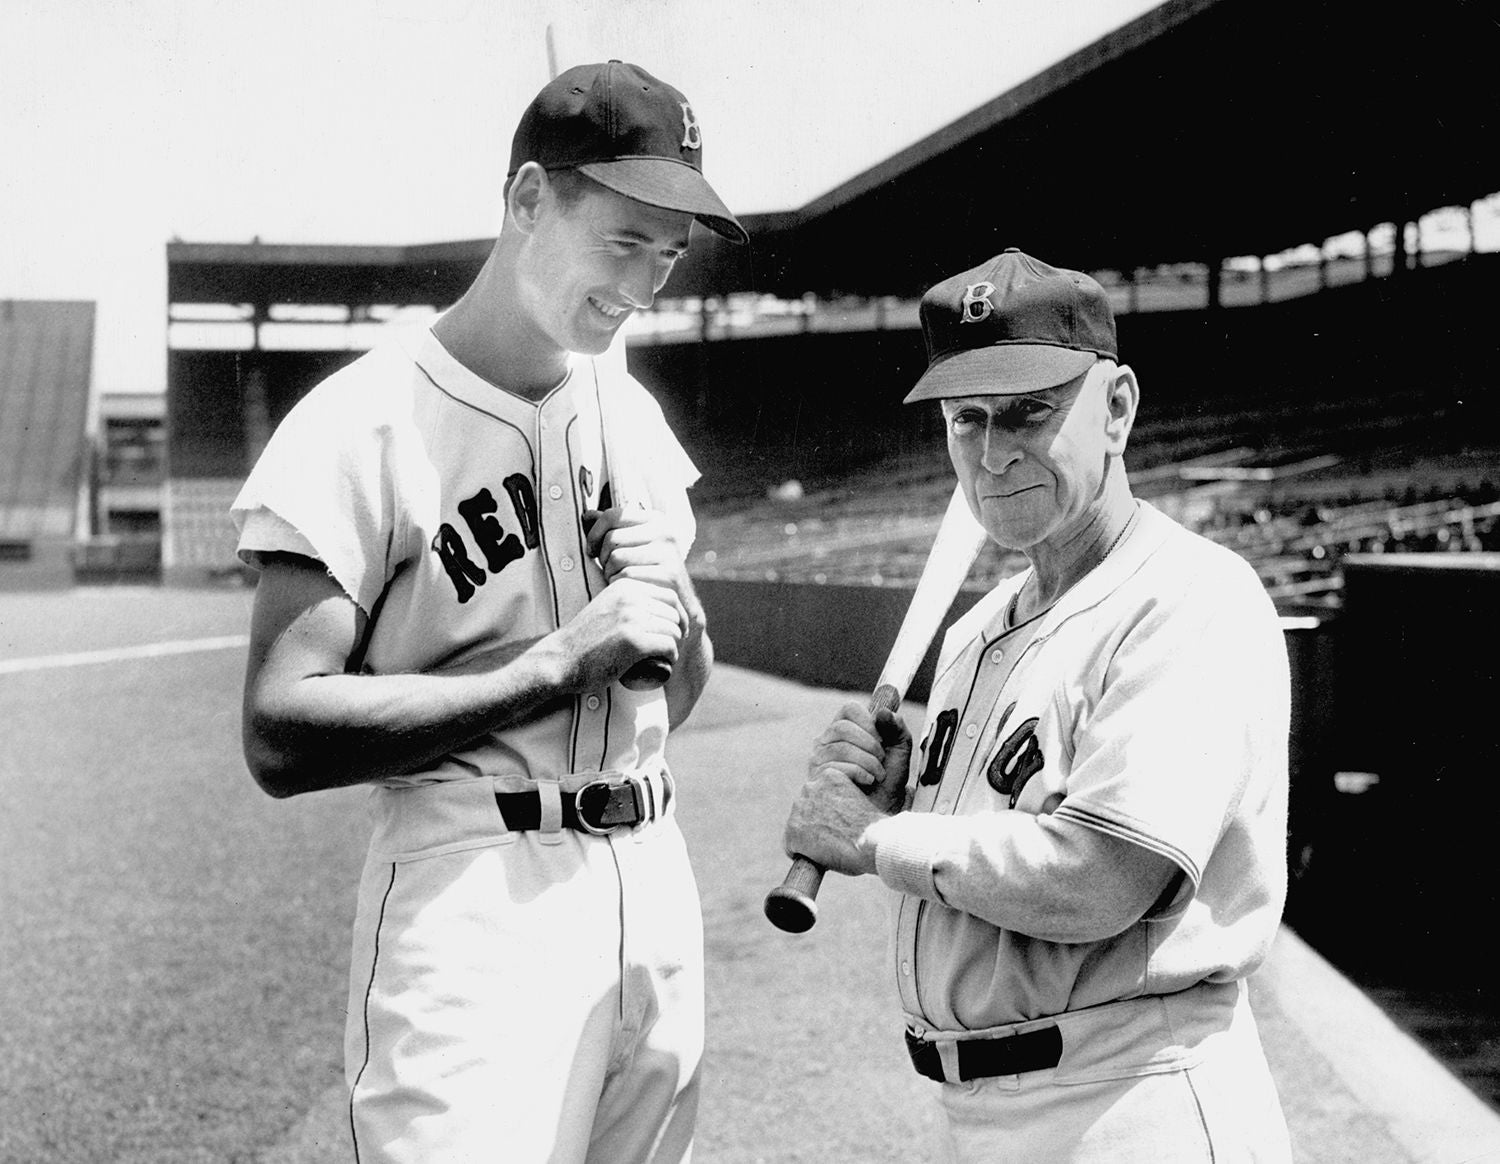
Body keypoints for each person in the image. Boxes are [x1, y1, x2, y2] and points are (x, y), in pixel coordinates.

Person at [233, 60, 746, 1164]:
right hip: (476, 893)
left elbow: (675, 684)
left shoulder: (630, 413)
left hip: (651, 875)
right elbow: (278, 728)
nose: (646, 287)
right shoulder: (362, 424)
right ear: (525, 203)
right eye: (625, 241)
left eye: (669, 255)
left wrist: (679, 626)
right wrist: (554, 666)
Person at [781, 249, 1292, 1161]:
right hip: (987, 1113)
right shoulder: (980, 629)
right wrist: (905, 798)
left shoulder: (1188, 597)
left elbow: (1102, 876)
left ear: (1119, 409)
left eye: (1029, 412)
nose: (992, 452)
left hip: (1137, 1098)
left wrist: (872, 839)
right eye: (965, 418)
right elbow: (986, 851)